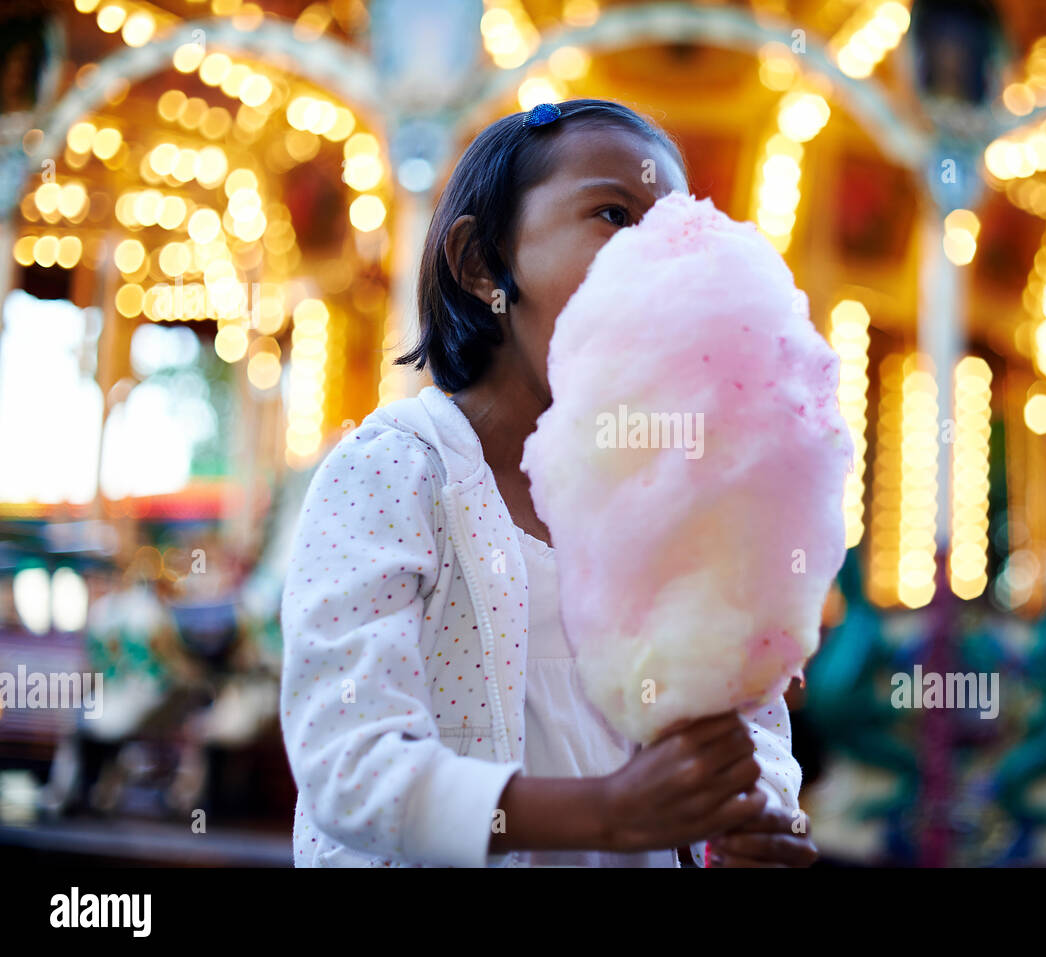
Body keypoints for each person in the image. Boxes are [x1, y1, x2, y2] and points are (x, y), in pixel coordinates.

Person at [280, 99, 816, 867]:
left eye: (675, 233)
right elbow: (350, 766)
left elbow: (750, 725)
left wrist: (751, 816)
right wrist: (605, 813)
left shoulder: (677, 512)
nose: (657, 257)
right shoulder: (395, 473)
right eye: (614, 214)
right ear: (479, 264)